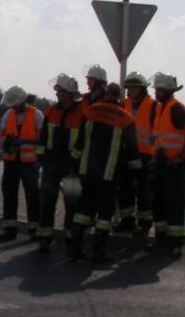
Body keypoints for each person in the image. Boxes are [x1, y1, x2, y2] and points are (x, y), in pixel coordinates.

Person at [70, 82, 141, 263]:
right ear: (119, 97)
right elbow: (132, 149)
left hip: (87, 171)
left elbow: (79, 142)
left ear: (107, 94)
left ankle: (74, 247)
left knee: (83, 209)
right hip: (109, 174)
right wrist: (136, 173)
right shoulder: (126, 118)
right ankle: (98, 250)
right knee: (105, 213)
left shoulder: (91, 111)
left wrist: (74, 167)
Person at [151, 71, 185, 258]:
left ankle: (175, 245)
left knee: (174, 205)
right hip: (163, 162)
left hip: (174, 164)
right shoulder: (164, 107)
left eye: (159, 89)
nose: (156, 93)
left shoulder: (176, 108)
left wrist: (182, 155)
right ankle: (161, 242)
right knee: (159, 203)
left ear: (168, 90)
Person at [37, 73, 84, 253]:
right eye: (57, 90)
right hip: (51, 163)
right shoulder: (51, 110)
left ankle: (70, 237)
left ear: (71, 93)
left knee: (71, 203)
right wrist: (40, 157)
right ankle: (45, 236)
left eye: (61, 91)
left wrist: (77, 161)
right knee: (47, 201)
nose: (58, 94)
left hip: (71, 165)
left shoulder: (81, 112)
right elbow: (43, 137)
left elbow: (83, 139)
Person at [0, 85, 43, 242]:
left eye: (15, 105)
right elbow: (2, 135)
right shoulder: (8, 114)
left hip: (29, 163)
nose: (13, 108)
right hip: (10, 161)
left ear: (22, 102)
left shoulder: (37, 115)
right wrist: (3, 144)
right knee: (9, 194)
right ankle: (10, 228)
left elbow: (42, 138)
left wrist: (24, 141)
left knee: (33, 196)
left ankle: (34, 229)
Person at [115, 71, 158, 236]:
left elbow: (158, 131)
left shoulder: (153, 105)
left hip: (145, 154)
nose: (132, 91)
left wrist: (155, 156)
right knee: (124, 189)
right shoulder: (123, 104)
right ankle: (127, 221)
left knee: (143, 190)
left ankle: (145, 224)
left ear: (142, 89)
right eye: (129, 88)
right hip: (126, 153)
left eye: (135, 88)